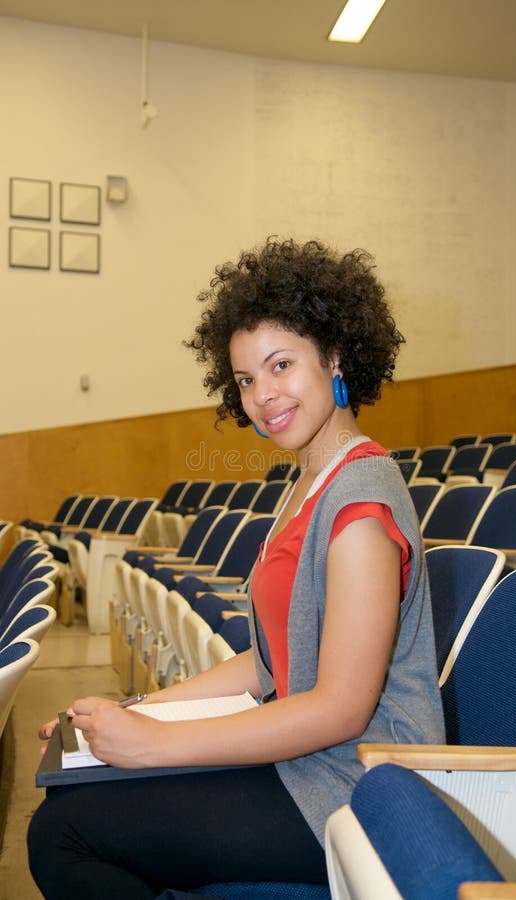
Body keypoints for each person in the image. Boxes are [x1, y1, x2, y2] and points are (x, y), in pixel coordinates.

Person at [28, 238, 445, 899]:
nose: (262, 396)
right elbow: (266, 664)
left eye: (281, 366)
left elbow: (340, 709)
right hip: (304, 762)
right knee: (68, 807)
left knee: (67, 833)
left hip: (352, 786)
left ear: (335, 356)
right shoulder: (308, 480)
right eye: (247, 380)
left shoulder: (362, 502)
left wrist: (153, 746)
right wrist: (133, 712)